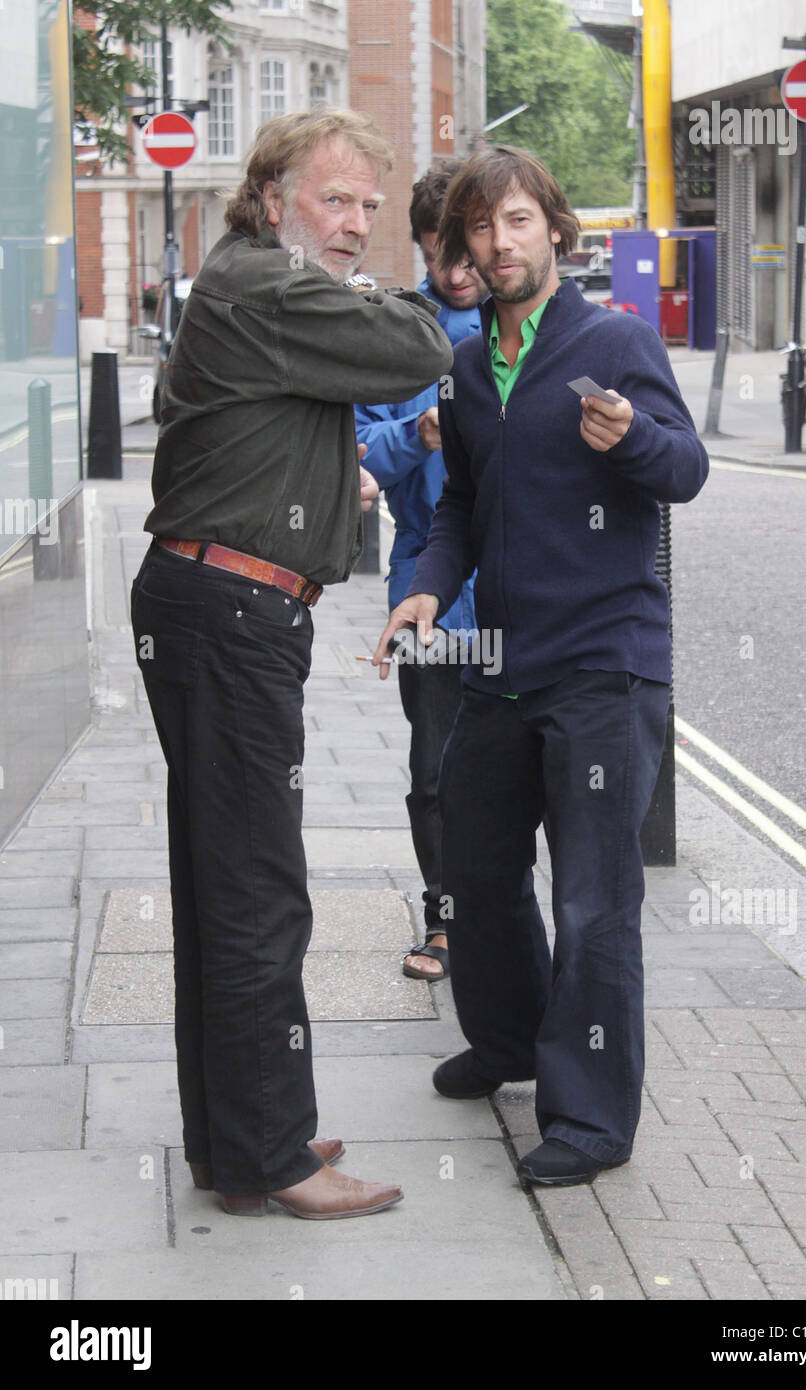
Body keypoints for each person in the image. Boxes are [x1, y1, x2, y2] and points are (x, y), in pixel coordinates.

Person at [131, 109, 454, 1219]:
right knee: (260, 893)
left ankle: (236, 1135)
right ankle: (274, 1156)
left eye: (370, 206)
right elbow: (421, 346)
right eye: (337, 199)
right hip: (230, 617)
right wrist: (380, 298)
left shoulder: (249, 284)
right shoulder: (270, 284)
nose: (358, 224)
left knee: (223, 885)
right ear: (273, 197)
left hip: (209, 603)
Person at [373, 144, 709, 1188]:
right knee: (473, 869)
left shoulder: (610, 340)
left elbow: (684, 468)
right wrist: (425, 587)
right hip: (498, 663)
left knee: (592, 902)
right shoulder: (468, 368)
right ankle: (509, 1039)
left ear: (553, 230)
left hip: (604, 666)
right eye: (478, 227)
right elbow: (462, 503)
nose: (496, 243)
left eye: (516, 221)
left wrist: (629, 441)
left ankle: (589, 1117)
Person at [355, 160, 488, 983]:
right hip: (429, 590)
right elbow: (362, 456)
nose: (463, 274)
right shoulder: (396, 337)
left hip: (519, 589)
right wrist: (423, 435)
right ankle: (444, 922)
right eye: (444, 258)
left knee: (520, 771)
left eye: (471, 254)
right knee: (433, 769)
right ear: (423, 251)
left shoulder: (526, 332)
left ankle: (505, 921)